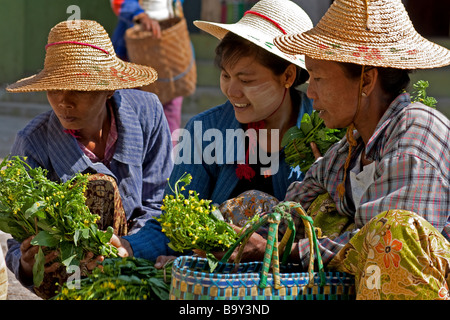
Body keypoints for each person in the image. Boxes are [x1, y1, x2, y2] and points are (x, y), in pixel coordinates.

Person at [222, 0, 450, 299]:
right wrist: (237, 238)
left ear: (366, 79)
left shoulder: (416, 136)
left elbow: (380, 242)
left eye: (318, 78)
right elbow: (299, 200)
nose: (311, 93)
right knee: (256, 206)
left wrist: (276, 250)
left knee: (394, 231)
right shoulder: (353, 145)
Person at [110, 0, 316, 261]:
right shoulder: (205, 130)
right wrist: (129, 247)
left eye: (246, 80)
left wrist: (273, 252)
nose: (232, 91)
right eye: (226, 75)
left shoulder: (323, 132)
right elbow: (173, 225)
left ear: (287, 76)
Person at [4, 20, 173, 298]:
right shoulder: (32, 142)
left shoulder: (147, 114)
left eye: (79, 90)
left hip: (138, 261)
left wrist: (131, 246)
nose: (64, 102)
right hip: (70, 279)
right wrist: (25, 262)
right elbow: (16, 240)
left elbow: (158, 204)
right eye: (55, 88)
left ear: (110, 89)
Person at [110, 0, 186, 139]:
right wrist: (140, 15)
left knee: (168, 120)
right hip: (130, 56)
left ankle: (166, 158)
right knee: (126, 117)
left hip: (169, 58)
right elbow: (120, 3)